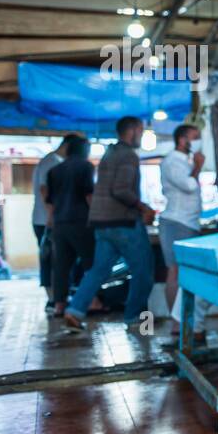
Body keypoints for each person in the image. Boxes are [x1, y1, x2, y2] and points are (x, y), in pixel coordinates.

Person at [63, 116, 156, 331]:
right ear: (132, 131)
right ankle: (135, 320)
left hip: (102, 223)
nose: (141, 136)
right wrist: (143, 208)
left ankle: (75, 310)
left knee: (99, 270)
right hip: (122, 222)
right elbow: (121, 190)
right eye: (141, 131)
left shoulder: (110, 153)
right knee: (143, 271)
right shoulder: (128, 155)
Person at [45, 135, 95, 317]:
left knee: (61, 266)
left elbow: (49, 201)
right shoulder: (85, 167)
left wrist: (50, 223)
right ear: (85, 151)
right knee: (91, 263)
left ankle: (59, 304)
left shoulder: (54, 170)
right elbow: (89, 195)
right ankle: (93, 301)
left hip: (59, 223)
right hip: (81, 221)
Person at [159, 123, 205, 314]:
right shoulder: (173, 161)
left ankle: (183, 318)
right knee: (176, 271)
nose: (198, 141)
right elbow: (189, 185)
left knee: (184, 272)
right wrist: (198, 166)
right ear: (182, 140)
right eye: (195, 137)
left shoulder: (184, 161)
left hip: (187, 222)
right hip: (177, 222)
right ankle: (176, 322)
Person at [33, 134, 77, 309]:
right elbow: (44, 190)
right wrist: (52, 217)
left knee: (57, 261)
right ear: (67, 146)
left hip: (50, 219)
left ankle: (57, 299)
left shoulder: (55, 161)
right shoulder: (51, 162)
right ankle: (53, 299)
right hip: (47, 221)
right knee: (52, 260)